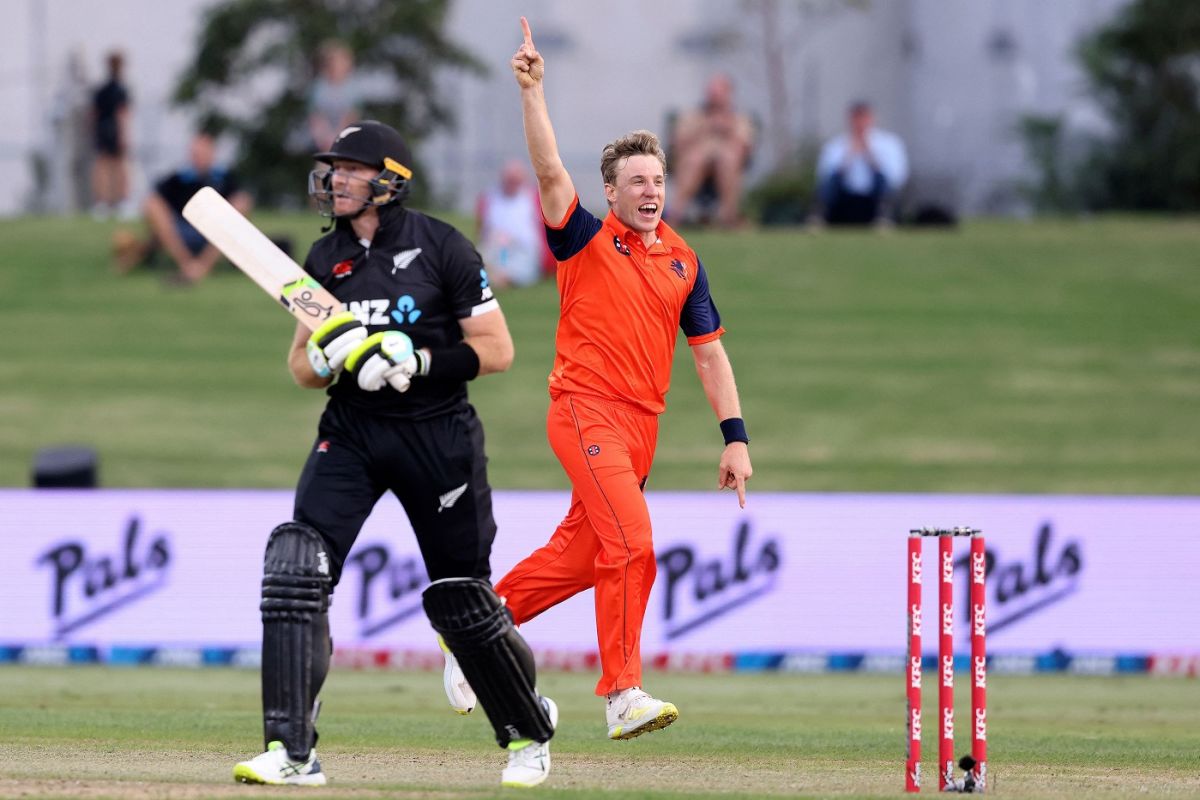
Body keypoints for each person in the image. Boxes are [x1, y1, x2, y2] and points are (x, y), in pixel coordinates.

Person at [441, 17, 754, 746]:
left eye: (658, 180)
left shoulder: (685, 260)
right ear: (610, 192)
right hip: (585, 412)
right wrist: (533, 91)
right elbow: (551, 172)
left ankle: (471, 634)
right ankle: (621, 693)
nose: (651, 191)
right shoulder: (584, 238)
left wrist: (735, 438)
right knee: (633, 543)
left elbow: (709, 356)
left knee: (582, 558)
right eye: (636, 181)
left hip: (640, 428)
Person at [231, 119, 557, 789]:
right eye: (334, 169)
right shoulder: (325, 259)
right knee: (296, 567)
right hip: (351, 431)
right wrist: (327, 356)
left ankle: (528, 731)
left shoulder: (443, 247)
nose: (337, 179)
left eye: (352, 168)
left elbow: (498, 350)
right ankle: (292, 751)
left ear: (389, 179)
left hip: (437, 436)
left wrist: (419, 360)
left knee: (464, 602)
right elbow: (300, 367)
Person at [115, 131, 252, 283]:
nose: (199, 157)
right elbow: (152, 202)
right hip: (181, 232)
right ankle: (186, 264)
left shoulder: (225, 178)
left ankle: (203, 265)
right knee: (152, 205)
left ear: (212, 153)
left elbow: (242, 202)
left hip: (213, 234)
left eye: (203, 153)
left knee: (241, 202)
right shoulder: (178, 179)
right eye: (195, 153)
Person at [668, 74, 755, 228]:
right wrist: (704, 128)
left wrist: (727, 129)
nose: (714, 97)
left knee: (728, 159)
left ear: (728, 94)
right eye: (711, 92)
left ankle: (728, 216)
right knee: (695, 160)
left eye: (718, 92)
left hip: (726, 165)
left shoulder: (739, 119)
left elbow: (745, 148)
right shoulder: (692, 116)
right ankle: (675, 215)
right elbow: (678, 145)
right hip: (693, 164)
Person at [815, 100, 909, 226]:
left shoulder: (889, 143)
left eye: (863, 117)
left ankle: (884, 217)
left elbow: (897, 177)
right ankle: (818, 217)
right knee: (832, 181)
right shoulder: (836, 145)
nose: (860, 123)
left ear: (872, 118)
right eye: (856, 118)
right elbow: (824, 177)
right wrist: (847, 158)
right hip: (846, 197)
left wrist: (870, 157)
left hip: (875, 197)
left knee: (884, 182)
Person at [475, 159, 554, 288]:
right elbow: (482, 229)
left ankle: (499, 277)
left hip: (523, 249)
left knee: (518, 266)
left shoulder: (533, 197)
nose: (512, 183)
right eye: (509, 179)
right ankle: (491, 274)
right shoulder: (490, 198)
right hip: (497, 246)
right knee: (482, 257)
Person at [90, 50, 132, 219]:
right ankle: (122, 201)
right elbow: (122, 114)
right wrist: (123, 135)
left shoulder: (101, 90)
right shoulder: (120, 90)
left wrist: (94, 133)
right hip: (115, 130)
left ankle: (103, 202)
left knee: (103, 166)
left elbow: (93, 114)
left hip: (101, 130)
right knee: (119, 167)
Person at [307, 41, 365, 153]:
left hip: (346, 138)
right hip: (323, 141)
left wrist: (339, 137)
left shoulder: (354, 89)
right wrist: (324, 138)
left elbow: (352, 117)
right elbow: (315, 117)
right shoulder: (318, 88)